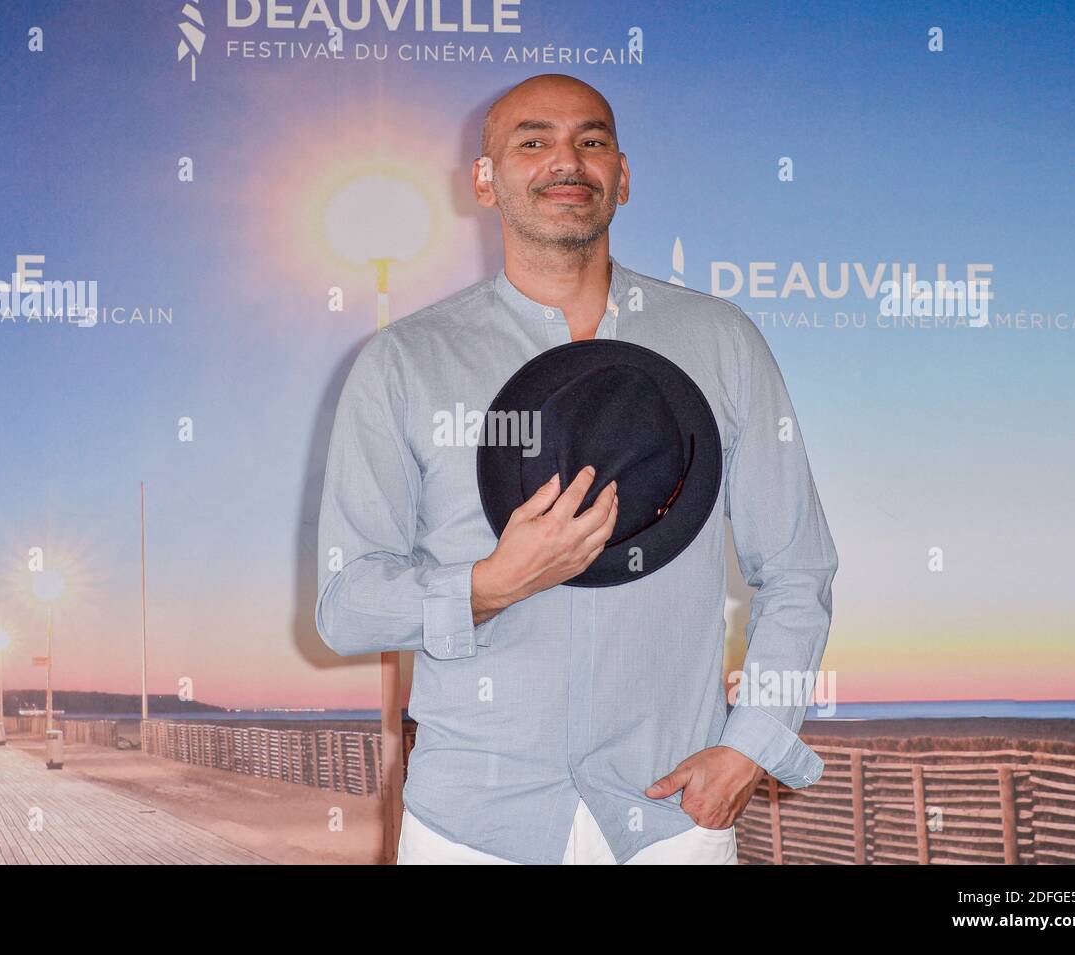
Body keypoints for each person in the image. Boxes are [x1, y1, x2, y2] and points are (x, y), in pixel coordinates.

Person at [315, 73, 838, 864]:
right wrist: (493, 583)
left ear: (621, 178)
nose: (567, 160)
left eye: (591, 141)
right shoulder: (403, 362)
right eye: (533, 141)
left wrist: (753, 747)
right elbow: (345, 605)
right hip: (471, 829)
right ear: (485, 181)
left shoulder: (722, 340)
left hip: (670, 824)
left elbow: (799, 567)